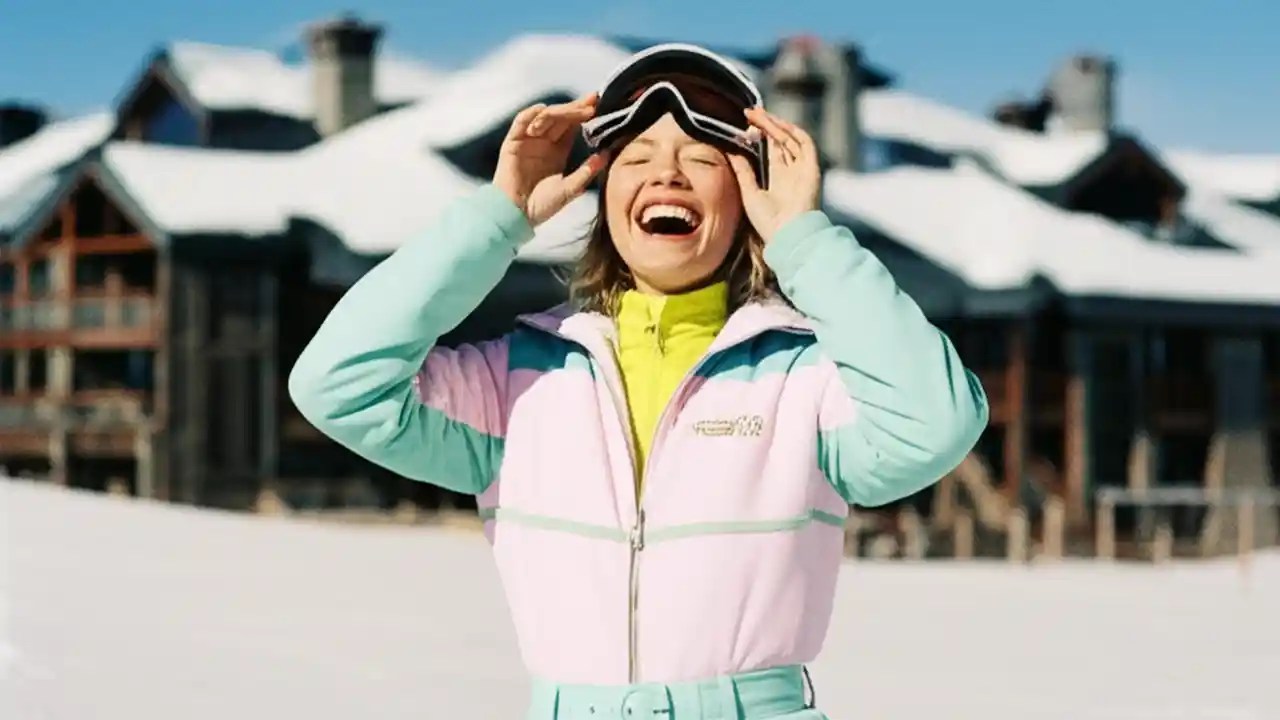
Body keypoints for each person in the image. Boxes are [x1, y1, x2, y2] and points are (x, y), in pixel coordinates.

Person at [289, 43, 988, 720]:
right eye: (640, 157)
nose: (668, 175)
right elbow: (338, 386)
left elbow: (936, 425)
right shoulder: (518, 383)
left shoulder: (802, 379)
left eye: (701, 157)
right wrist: (496, 220)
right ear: (605, 193)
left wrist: (805, 240)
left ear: (748, 197)